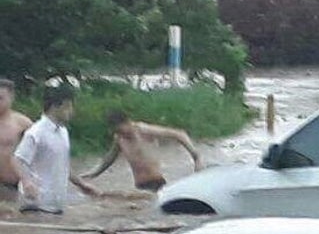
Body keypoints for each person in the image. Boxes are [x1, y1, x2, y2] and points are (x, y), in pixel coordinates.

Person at [13, 85, 99, 213]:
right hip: (36, 203)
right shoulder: (36, 132)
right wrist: (27, 182)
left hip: (56, 202)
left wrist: (81, 184)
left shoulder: (63, 131)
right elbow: (17, 160)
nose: (71, 111)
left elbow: (63, 164)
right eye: (68, 107)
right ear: (55, 107)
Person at [81, 111, 204, 192]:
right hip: (139, 187)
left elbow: (179, 134)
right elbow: (109, 159)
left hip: (157, 183)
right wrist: (93, 174)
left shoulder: (143, 130)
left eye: (121, 130)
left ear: (128, 122)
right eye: (117, 131)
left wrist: (196, 157)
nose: (121, 134)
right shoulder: (119, 138)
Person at [0, 79, 34, 202]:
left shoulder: (22, 123)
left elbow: (39, 152)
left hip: (12, 185)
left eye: (0, 98)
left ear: (11, 97)